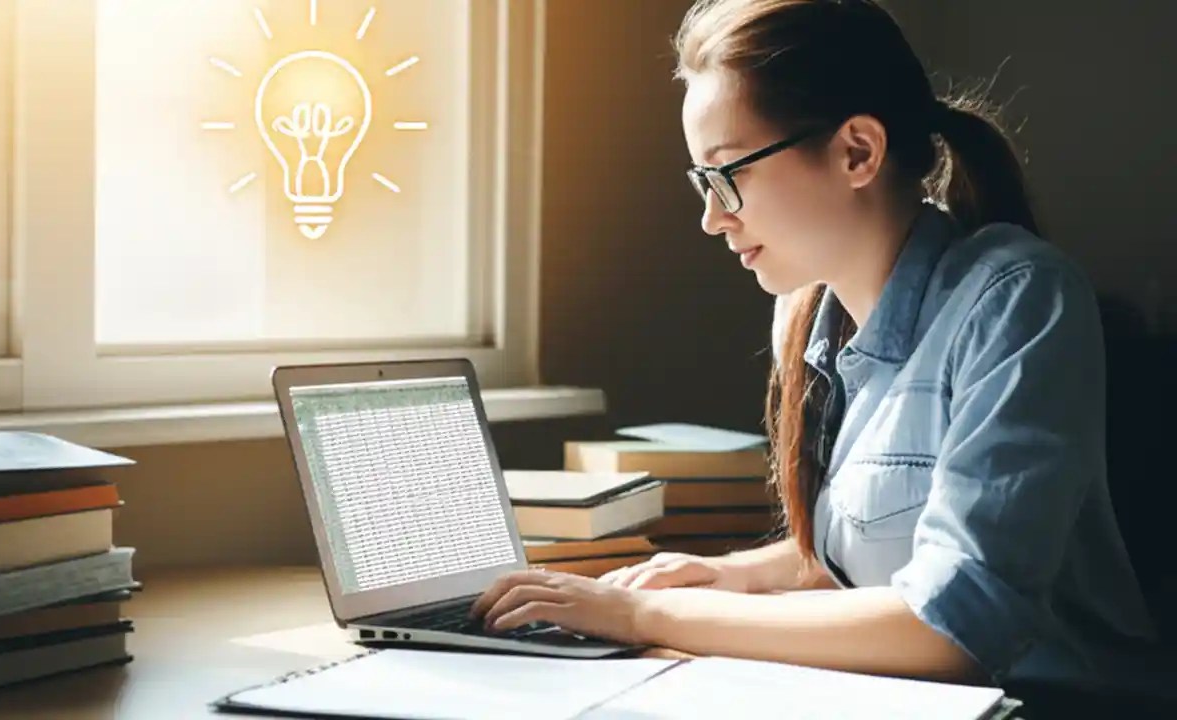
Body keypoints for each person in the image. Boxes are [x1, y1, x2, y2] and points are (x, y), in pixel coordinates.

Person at [470, 0, 1160, 690]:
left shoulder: (1017, 298)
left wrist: (647, 613)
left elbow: (960, 621)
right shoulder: (806, 315)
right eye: (701, 181)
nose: (712, 218)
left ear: (857, 150)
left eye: (728, 174)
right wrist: (731, 574)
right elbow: (881, 542)